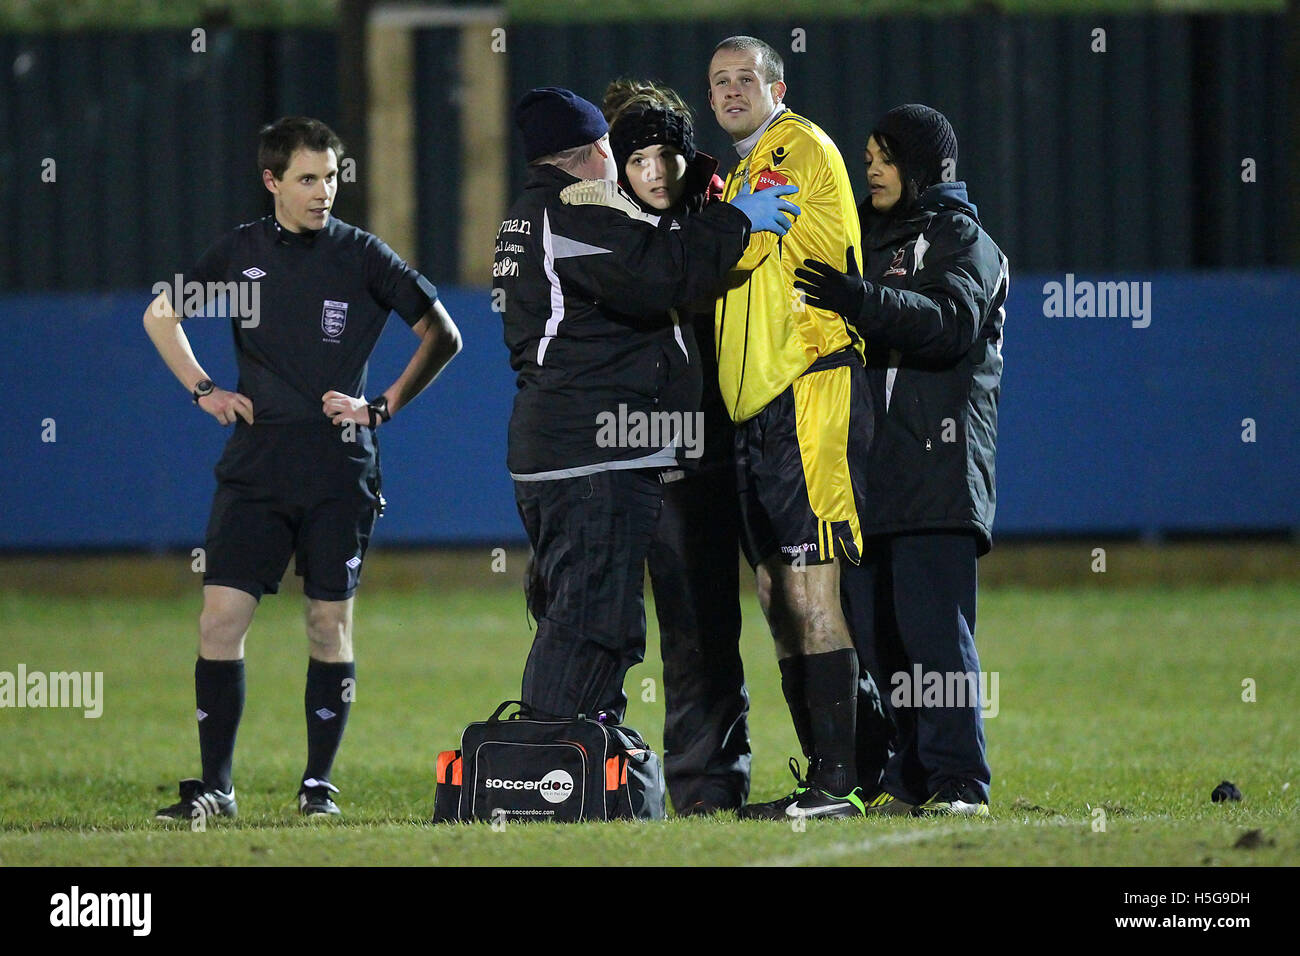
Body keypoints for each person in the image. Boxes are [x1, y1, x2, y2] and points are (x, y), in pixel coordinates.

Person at [143, 116, 462, 821]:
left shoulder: (363, 256)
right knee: (219, 620)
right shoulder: (242, 253)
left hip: (336, 470)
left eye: (333, 177)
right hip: (256, 468)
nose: (324, 192)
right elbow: (161, 315)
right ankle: (217, 788)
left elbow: (445, 333)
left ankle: (318, 785)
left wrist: (380, 407)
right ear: (272, 182)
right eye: (308, 179)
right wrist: (205, 390)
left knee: (327, 625)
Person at [497, 87, 799, 730]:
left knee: (584, 616)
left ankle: (581, 763)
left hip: (566, 453)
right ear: (595, 151)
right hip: (588, 457)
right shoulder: (570, 215)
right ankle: (542, 764)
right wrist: (738, 218)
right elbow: (661, 271)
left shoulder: (532, 215)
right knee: (593, 622)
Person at [794, 104, 1008, 816]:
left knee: (934, 640)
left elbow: (948, 325)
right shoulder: (862, 234)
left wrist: (858, 298)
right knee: (883, 644)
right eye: (867, 156)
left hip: (937, 473)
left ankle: (959, 782)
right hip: (865, 475)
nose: (871, 170)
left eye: (884, 158)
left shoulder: (962, 238)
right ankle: (911, 778)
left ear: (921, 165)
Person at [705, 36, 887, 820]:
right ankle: (841, 767)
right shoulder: (743, 170)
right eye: (719, 82)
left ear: (779, 86)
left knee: (812, 587)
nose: (732, 91)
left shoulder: (792, 147)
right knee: (777, 591)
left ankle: (838, 785)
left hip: (808, 386)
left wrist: (710, 228)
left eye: (747, 78)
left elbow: (739, 252)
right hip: (757, 406)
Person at [602, 79, 750, 815]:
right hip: (645, 456)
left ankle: (724, 787)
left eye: (667, 155)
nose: (655, 172)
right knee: (648, 627)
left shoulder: (725, 213)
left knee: (741, 620)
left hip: (738, 444)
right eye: (638, 160)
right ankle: (658, 786)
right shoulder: (605, 230)